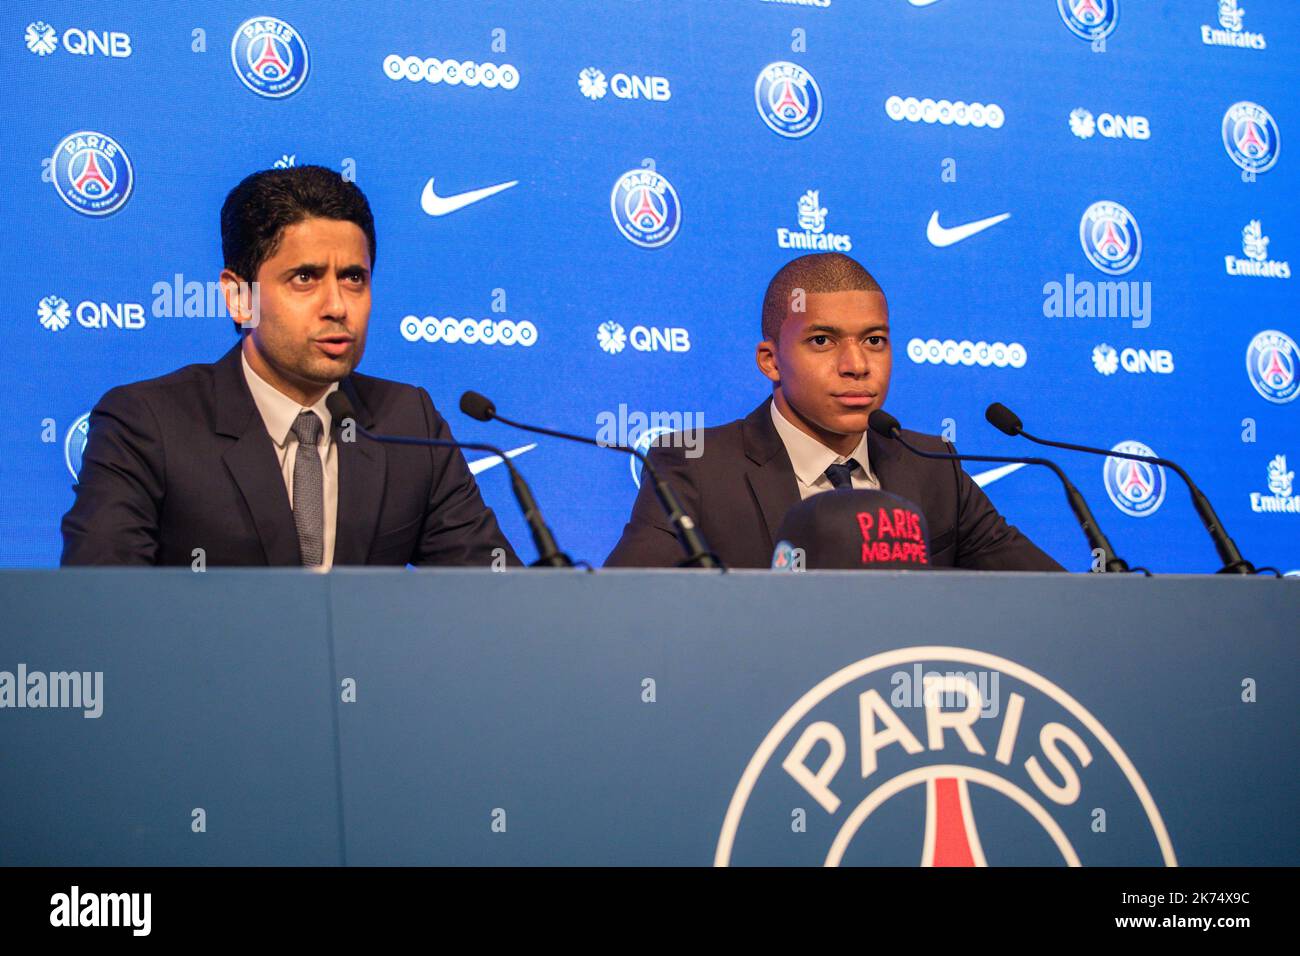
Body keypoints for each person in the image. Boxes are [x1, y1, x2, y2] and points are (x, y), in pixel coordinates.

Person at [61, 165, 519, 568]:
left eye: (353, 278)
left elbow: (497, 598)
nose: (337, 306)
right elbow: (100, 612)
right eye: (305, 278)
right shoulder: (146, 424)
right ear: (240, 297)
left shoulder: (406, 420)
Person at [604, 252, 1063, 571]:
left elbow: (1046, 596)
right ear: (770, 360)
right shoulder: (694, 467)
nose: (857, 366)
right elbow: (628, 608)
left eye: (874, 341)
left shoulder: (933, 465)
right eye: (822, 341)